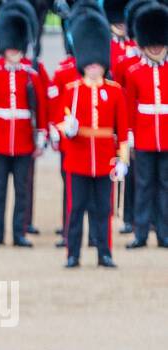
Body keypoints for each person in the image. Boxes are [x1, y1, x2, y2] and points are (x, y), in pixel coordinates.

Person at [60, 13, 129, 267]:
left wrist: (122, 159)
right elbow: (61, 121)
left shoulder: (114, 92)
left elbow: (122, 129)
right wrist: (69, 129)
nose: (93, 67)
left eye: (97, 64)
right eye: (89, 64)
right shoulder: (72, 91)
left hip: (103, 160)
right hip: (78, 159)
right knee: (76, 209)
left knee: (103, 210)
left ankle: (104, 253)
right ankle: (73, 254)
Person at [0, 6, 45, 248]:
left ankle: (19, 232)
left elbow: (41, 107)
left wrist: (41, 136)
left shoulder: (32, 72)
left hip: (24, 139)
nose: (14, 51)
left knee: (21, 191)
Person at [123, 3, 168, 247]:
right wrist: (129, 137)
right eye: (152, 44)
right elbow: (130, 106)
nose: (156, 48)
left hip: (166, 137)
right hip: (144, 137)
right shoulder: (134, 72)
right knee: (143, 186)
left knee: (165, 187)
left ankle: (164, 232)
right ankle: (140, 233)